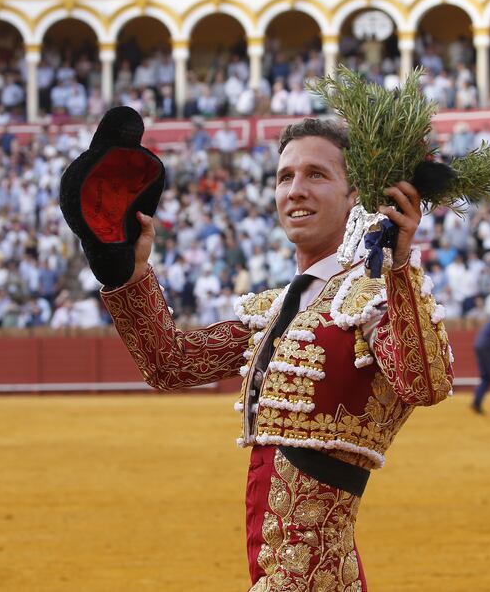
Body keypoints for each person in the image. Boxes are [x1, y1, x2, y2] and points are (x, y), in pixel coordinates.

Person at [99, 119, 455, 590]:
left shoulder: (370, 296)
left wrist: (400, 265)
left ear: (355, 195)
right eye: (285, 176)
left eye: (316, 175)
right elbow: (171, 363)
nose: (295, 190)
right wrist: (131, 270)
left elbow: (426, 382)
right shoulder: (280, 306)